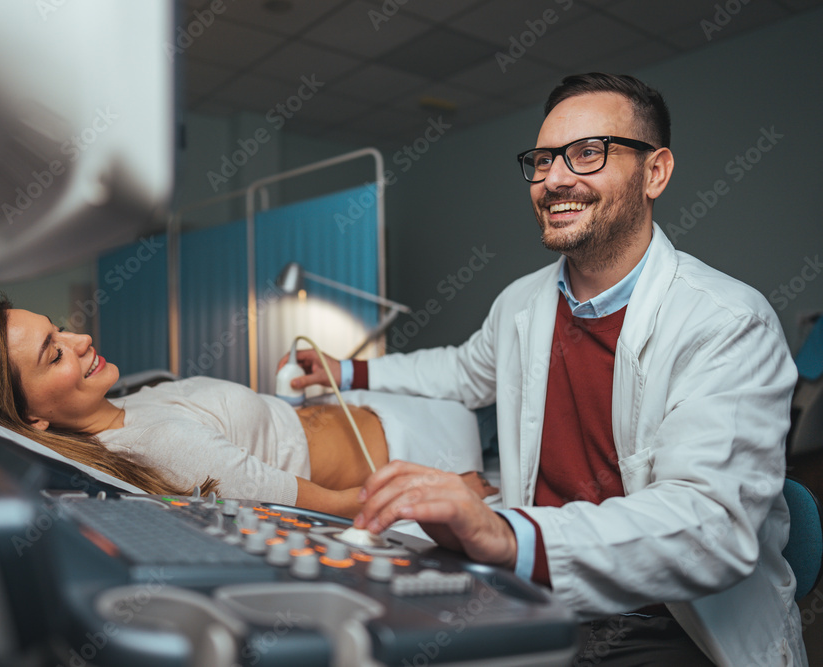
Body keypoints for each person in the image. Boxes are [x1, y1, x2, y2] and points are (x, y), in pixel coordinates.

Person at [284, 73, 805, 665]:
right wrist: (344, 373)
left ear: (655, 172)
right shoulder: (520, 303)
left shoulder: (728, 322)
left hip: (668, 624)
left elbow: (709, 526)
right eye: (543, 159)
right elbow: (460, 371)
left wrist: (506, 535)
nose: (555, 178)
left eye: (588, 153)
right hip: (538, 595)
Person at [0, 298, 492, 518]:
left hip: (391, 412)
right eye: (54, 356)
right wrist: (447, 493)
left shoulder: (128, 409)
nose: (79, 341)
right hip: (424, 452)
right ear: (29, 421)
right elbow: (342, 507)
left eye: (59, 329)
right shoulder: (156, 452)